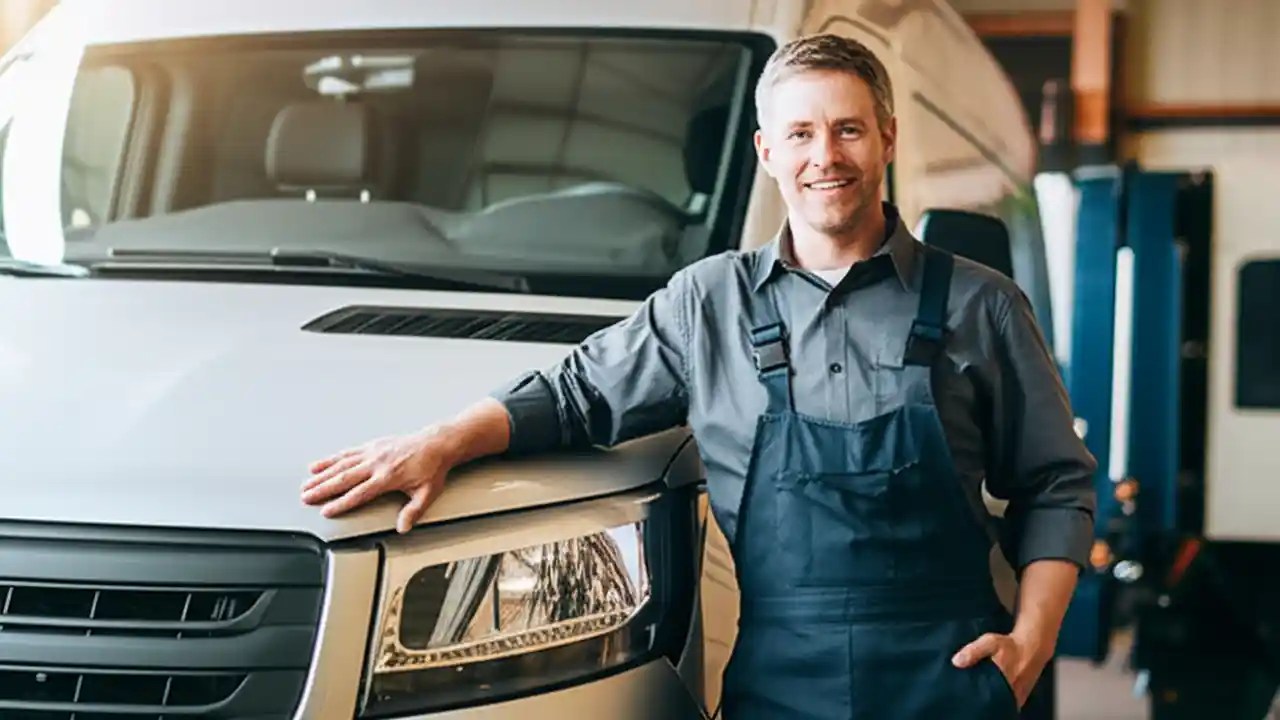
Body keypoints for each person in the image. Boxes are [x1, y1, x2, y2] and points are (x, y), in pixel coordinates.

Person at [301, 33, 1096, 719]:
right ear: (767, 152)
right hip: (780, 686)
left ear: (887, 138)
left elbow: (1056, 484)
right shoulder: (707, 301)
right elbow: (576, 394)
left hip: (949, 684)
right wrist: (442, 442)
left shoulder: (982, 305)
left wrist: (1031, 642)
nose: (826, 156)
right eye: (802, 133)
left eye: (849, 129)